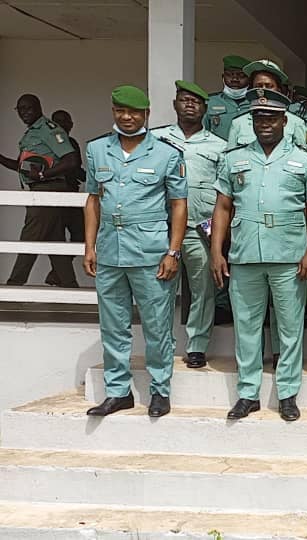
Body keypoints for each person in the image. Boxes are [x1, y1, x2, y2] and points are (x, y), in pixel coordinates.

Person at [210, 88, 307, 422]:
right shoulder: (234, 158)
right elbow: (223, 207)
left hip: (289, 255)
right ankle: (248, 393)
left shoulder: (304, 160)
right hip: (245, 253)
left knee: (289, 328)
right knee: (246, 326)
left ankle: (287, 393)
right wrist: (218, 251)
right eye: (258, 117)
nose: (265, 123)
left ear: (284, 120)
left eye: (271, 117)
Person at [83, 85, 187, 418]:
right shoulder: (97, 150)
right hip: (110, 250)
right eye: (120, 111)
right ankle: (118, 391)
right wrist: (89, 247)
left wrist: (174, 252)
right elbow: (93, 199)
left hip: (151, 253)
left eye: (134, 112)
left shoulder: (166, 153)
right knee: (112, 325)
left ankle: (160, 391)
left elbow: (178, 205)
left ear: (147, 114)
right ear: (113, 111)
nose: (126, 118)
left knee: (157, 326)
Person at [152, 81, 227, 369]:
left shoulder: (219, 146)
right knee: (160, 289)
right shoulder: (157, 139)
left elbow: (224, 192)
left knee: (203, 290)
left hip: (199, 228)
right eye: (184, 100)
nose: (190, 105)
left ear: (205, 108)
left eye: (196, 102)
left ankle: (196, 345)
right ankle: (161, 343)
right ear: (175, 105)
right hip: (162, 227)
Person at [1, 95, 81, 288]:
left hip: (49, 189)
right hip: (39, 190)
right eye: (20, 109)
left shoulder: (49, 130)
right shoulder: (30, 134)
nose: (25, 112)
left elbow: (71, 160)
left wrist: (44, 175)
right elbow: (23, 168)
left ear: (38, 107)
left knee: (30, 238)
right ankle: (69, 286)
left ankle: (12, 287)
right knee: (55, 242)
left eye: (29, 108)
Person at [226, 59, 307, 148]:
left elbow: (303, 157)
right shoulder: (238, 123)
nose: (263, 89)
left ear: (279, 90)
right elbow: (230, 157)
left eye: (269, 86)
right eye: (259, 86)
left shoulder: (296, 123)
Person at [50, 109, 86, 284]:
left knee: (80, 236)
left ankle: (56, 275)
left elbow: (76, 169)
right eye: (58, 122)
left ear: (71, 124)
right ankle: (63, 279)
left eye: (66, 121)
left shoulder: (71, 142)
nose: (63, 125)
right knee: (55, 240)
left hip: (72, 195)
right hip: (53, 196)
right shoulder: (47, 144)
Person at [203, 55, 251, 140]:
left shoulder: (256, 103)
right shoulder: (209, 102)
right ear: (223, 77)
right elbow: (202, 133)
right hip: (218, 152)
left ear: (249, 79)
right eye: (230, 75)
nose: (235, 79)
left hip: (249, 152)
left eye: (241, 75)